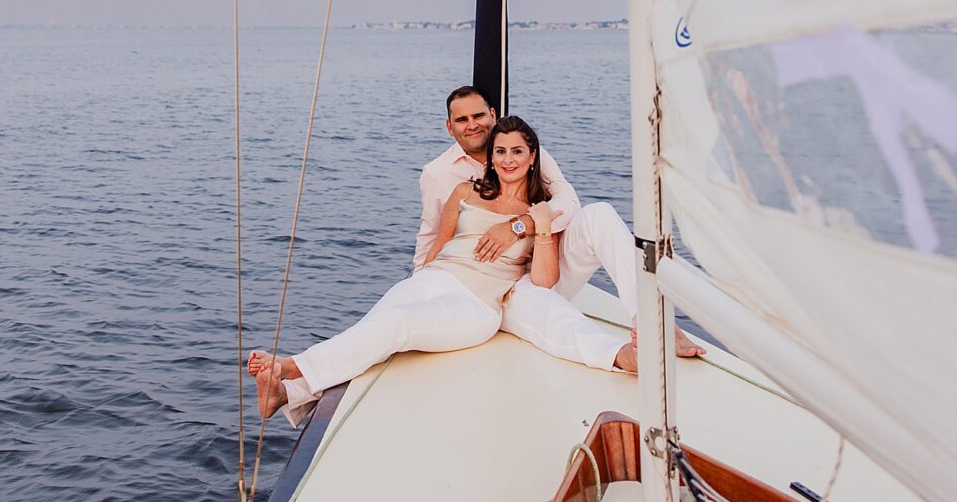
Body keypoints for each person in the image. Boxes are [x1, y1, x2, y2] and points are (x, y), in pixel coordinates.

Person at [248, 117, 562, 426]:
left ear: (532, 156)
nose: (508, 160)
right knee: (377, 325)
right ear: (490, 157)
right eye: (500, 151)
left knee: (396, 323)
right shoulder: (466, 191)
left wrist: (542, 225)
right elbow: (439, 243)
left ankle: (293, 367)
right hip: (434, 277)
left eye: (517, 151)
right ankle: (286, 394)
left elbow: (546, 280)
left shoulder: (539, 210)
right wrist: (419, 281)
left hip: (476, 302)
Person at [420, 86, 705, 373]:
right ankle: (620, 356)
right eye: (462, 119)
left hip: (542, 268)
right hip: (496, 286)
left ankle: (653, 323)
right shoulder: (439, 173)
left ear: (492, 115)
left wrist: (519, 225)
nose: (472, 125)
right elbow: (432, 237)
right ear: (449, 126)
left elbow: (568, 203)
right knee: (551, 318)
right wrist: (421, 290)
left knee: (599, 215)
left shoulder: (530, 154)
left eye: (479, 115)